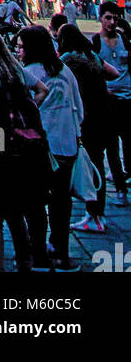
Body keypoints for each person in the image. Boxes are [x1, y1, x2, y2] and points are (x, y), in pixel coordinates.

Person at [0, 26, 43, 272]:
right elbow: (42, 89)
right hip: (19, 142)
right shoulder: (14, 66)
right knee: (14, 209)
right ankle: (25, 262)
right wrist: (23, 115)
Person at [16, 24, 83, 272]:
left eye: (21, 47)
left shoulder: (28, 73)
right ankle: (61, 252)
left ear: (31, 48)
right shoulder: (65, 71)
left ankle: (39, 255)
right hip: (66, 146)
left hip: (39, 148)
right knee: (61, 204)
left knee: (34, 204)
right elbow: (79, 109)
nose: (19, 51)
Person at [58, 23, 112, 234]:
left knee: (88, 166)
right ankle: (98, 213)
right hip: (103, 115)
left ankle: (93, 215)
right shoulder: (92, 56)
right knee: (97, 162)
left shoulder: (68, 60)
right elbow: (114, 72)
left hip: (85, 117)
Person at [90, 2, 131, 206]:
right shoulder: (96, 42)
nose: (112, 22)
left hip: (128, 98)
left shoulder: (124, 40)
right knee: (112, 148)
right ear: (100, 18)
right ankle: (121, 189)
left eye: (115, 18)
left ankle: (128, 178)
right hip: (108, 100)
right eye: (108, 18)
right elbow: (93, 71)